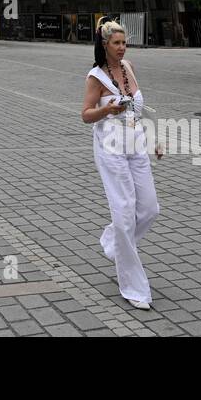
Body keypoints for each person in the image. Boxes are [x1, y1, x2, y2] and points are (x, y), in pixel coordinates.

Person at [82, 18, 163, 311]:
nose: (121, 47)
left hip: (136, 143)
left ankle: (113, 242)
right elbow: (86, 115)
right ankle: (134, 286)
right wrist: (106, 110)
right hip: (110, 147)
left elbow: (140, 108)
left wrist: (153, 138)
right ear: (104, 45)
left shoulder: (128, 67)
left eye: (124, 42)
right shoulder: (96, 76)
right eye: (116, 43)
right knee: (125, 213)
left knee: (150, 208)